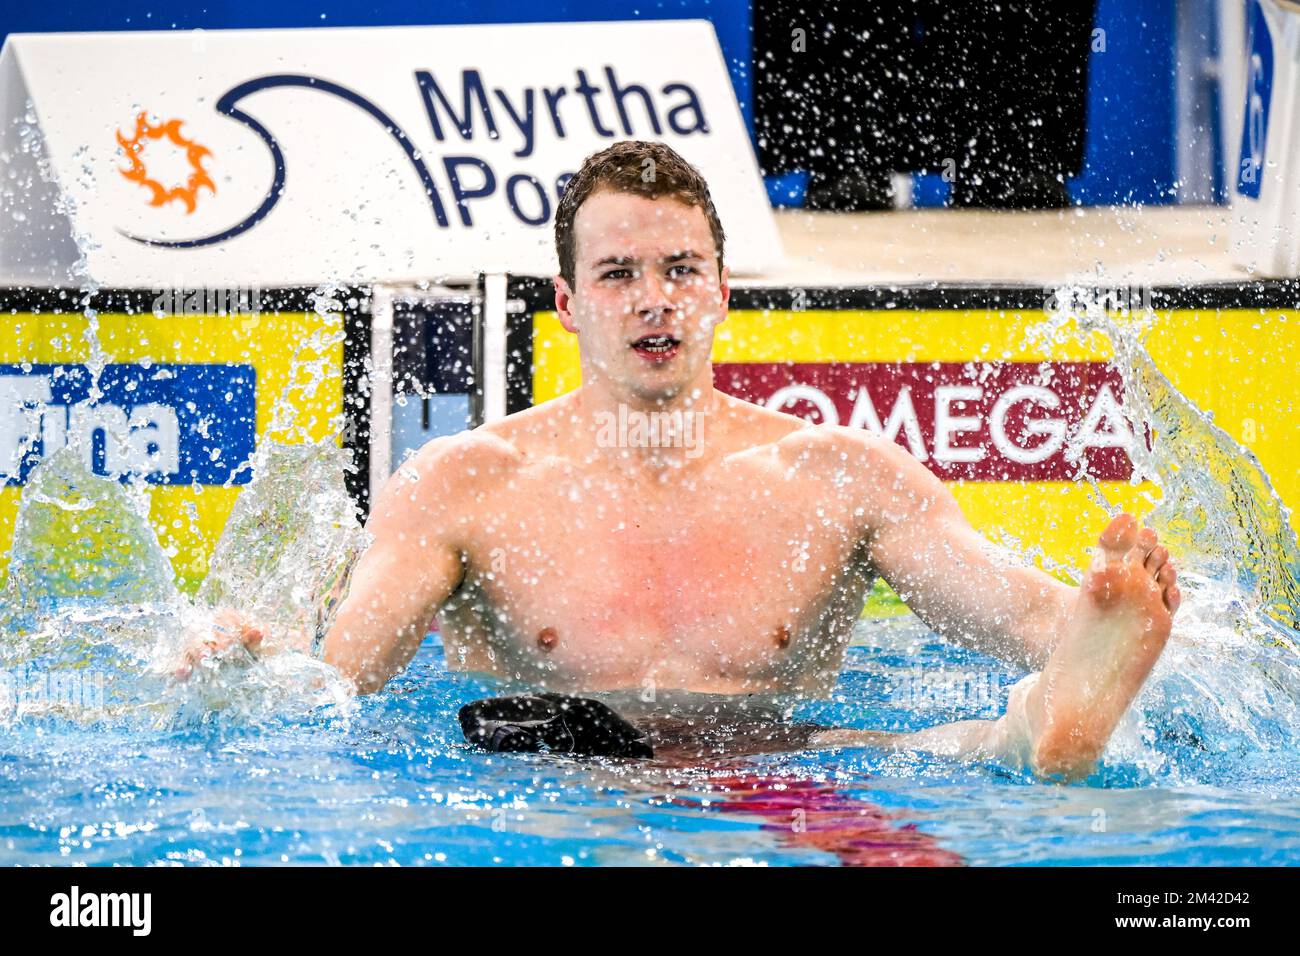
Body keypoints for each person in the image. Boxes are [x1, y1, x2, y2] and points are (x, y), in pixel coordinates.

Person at [179, 141, 1179, 782]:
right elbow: (342, 683)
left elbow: (1011, 613)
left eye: (680, 270)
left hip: (786, 767)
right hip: (547, 778)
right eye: (617, 274)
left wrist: (1096, 609)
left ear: (721, 291)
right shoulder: (463, 481)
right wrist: (250, 668)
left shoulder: (838, 474)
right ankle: (1029, 731)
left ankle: (1043, 725)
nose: (653, 298)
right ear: (567, 304)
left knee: (949, 745)